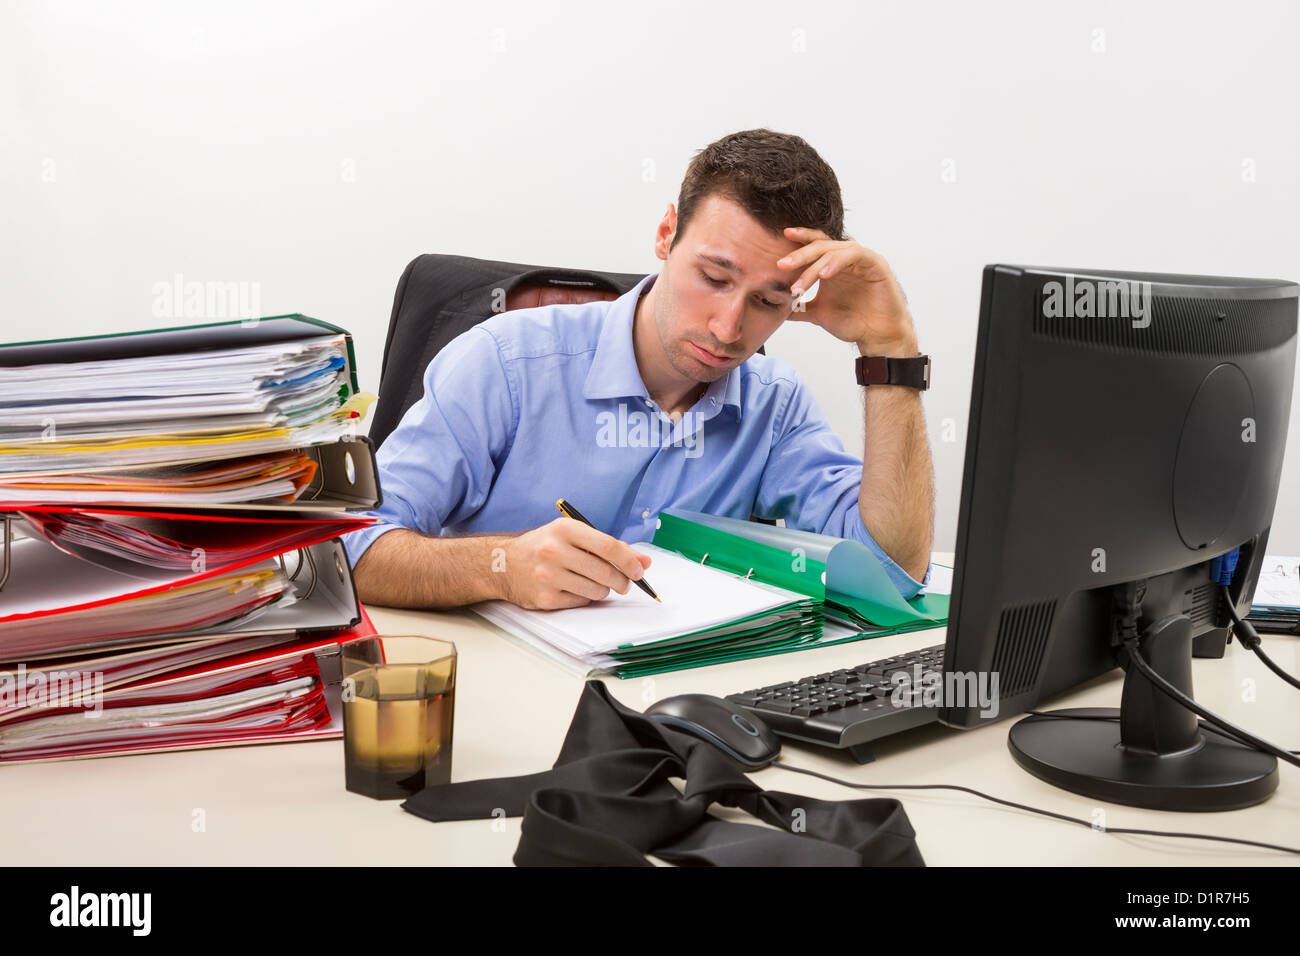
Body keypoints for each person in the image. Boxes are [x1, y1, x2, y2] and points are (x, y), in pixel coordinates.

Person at [343, 128, 934, 610]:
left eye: (769, 301)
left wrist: (890, 349)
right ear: (665, 234)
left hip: (676, 708)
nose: (729, 329)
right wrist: (500, 567)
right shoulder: (506, 363)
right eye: (714, 277)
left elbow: (892, 572)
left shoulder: (774, 408)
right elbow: (350, 548)